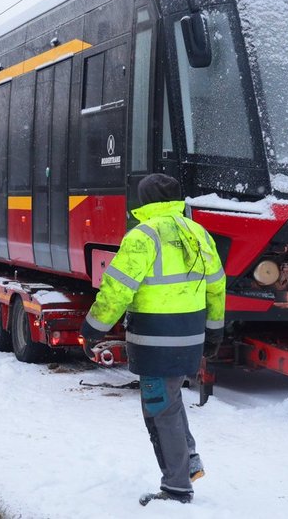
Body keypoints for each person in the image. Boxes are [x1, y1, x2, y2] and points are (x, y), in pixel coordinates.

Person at [80, 173, 226, 505]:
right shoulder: (197, 233)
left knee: (159, 408)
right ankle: (188, 461)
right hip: (190, 334)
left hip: (154, 336)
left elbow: (116, 291)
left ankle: (176, 488)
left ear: (144, 200)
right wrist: (215, 330)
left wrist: (92, 330)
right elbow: (217, 286)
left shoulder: (142, 236)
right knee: (170, 398)